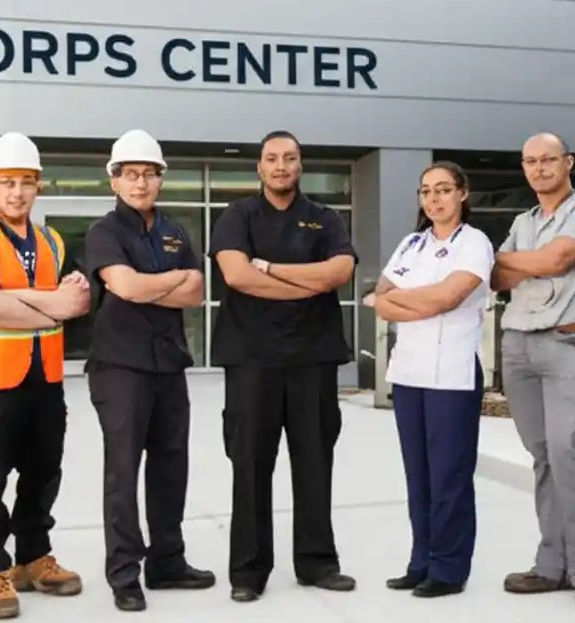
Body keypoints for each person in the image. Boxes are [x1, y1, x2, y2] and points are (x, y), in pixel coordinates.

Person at [209, 130, 358, 603]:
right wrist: (306, 285)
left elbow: (340, 272)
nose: (280, 166)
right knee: (250, 463)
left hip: (313, 359)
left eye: (289, 158)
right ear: (259, 167)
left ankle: (317, 563)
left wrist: (270, 270)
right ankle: (249, 570)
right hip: (252, 360)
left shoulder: (324, 218)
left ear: (300, 165)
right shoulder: (238, 216)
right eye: (271, 158)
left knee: (315, 461)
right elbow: (235, 275)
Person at [0, 132, 91, 620]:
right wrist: (50, 308)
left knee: (42, 474)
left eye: (25, 183)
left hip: (44, 382)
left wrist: (32, 305)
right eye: (6, 182)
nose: (16, 192)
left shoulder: (52, 241)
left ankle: (33, 557)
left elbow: (78, 301)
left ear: (38, 188)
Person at [81, 130, 216, 612]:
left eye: (148, 173)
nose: (139, 182)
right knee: (123, 470)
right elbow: (125, 287)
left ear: (161, 178)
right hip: (121, 368)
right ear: (114, 180)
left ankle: (167, 561)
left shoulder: (177, 230)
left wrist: (152, 285)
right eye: (129, 174)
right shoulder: (104, 233)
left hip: (168, 365)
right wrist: (167, 281)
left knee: (170, 464)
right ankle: (123, 573)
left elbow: (196, 292)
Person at [490, 132, 575, 614]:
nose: (540, 168)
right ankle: (551, 565)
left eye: (548, 160)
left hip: (567, 342)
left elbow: (557, 259)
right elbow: (496, 276)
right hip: (518, 343)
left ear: (569, 163)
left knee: (567, 452)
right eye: (531, 161)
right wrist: (523, 265)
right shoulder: (524, 221)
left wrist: (520, 264)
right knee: (541, 456)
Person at [372, 161, 494, 599]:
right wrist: (418, 302)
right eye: (426, 191)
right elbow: (379, 301)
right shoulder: (411, 244)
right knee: (418, 475)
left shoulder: (474, 243)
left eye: (443, 189)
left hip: (452, 374)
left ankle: (448, 568)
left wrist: (406, 300)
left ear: (462, 193)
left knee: (450, 476)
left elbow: (450, 296)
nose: (434, 198)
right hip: (409, 373)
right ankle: (420, 560)